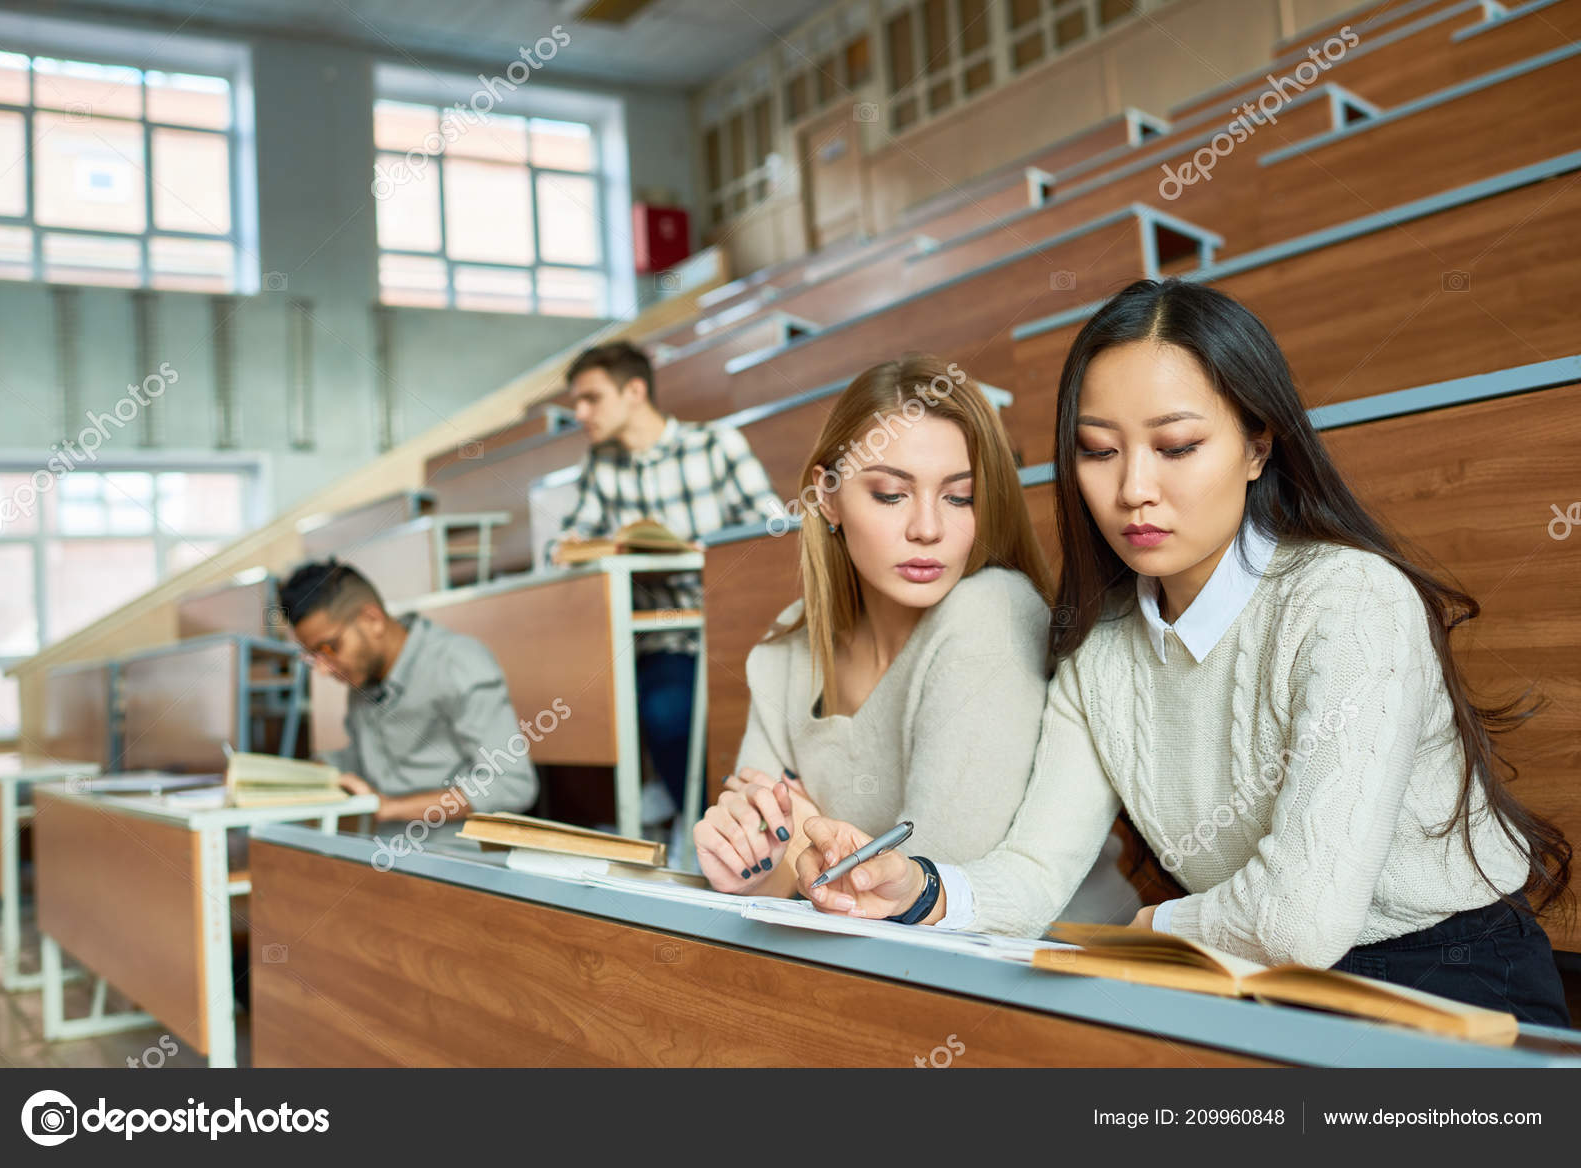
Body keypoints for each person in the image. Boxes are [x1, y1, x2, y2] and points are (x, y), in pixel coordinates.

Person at [795, 279, 1571, 1025]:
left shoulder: (1349, 602)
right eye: (1098, 451)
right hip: (1248, 984)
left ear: (1258, 446)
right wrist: (914, 887)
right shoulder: (1100, 659)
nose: (1134, 488)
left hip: (1451, 983)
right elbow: (1033, 873)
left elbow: (1301, 916)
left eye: (1176, 446)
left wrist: (1152, 931)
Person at [694, 352, 1137, 926]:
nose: (927, 528)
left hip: (1048, 968)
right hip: (876, 970)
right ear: (826, 495)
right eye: (890, 493)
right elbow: (779, 872)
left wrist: (804, 825)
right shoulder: (786, 646)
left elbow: (936, 878)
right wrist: (747, 857)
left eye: (959, 497)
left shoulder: (992, 613)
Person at [556, 341, 784, 837]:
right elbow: (569, 538)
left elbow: (773, 532)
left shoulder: (716, 444)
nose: (580, 413)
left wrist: (698, 551)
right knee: (634, 704)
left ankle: (697, 819)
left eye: (591, 398)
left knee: (672, 709)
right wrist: (574, 545)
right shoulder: (602, 465)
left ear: (634, 391)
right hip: (654, 636)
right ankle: (686, 817)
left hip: (726, 626)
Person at [280, 560, 538, 854]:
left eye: (329, 649)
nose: (323, 670)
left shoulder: (457, 663)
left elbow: (512, 783)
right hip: (387, 856)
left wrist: (390, 808)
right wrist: (309, 774)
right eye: (313, 657)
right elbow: (367, 763)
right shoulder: (362, 680)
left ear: (372, 619)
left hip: (459, 862)